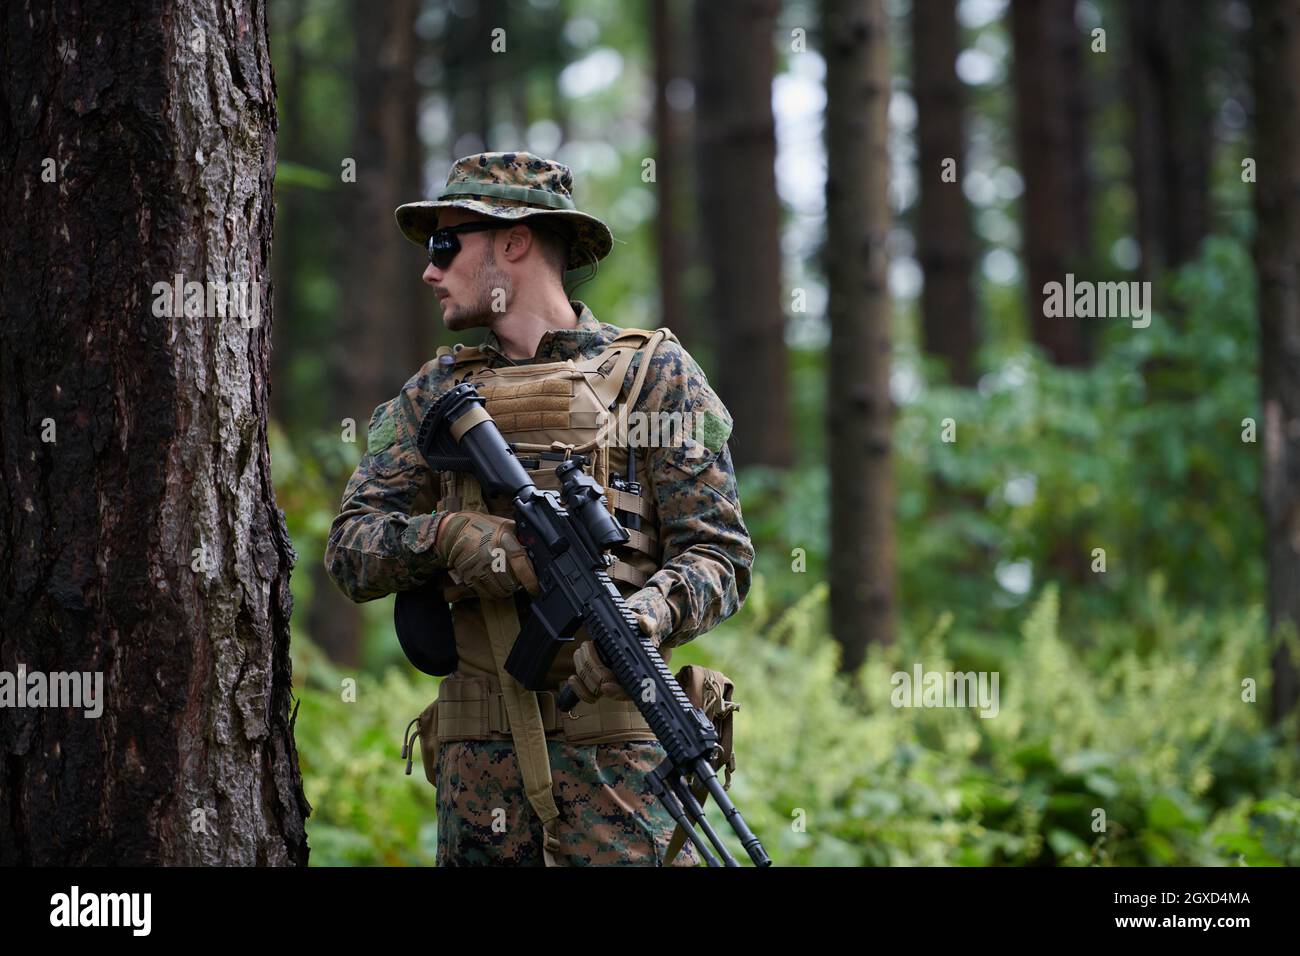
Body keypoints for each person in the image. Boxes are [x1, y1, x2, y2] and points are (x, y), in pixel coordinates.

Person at [324, 150, 753, 866]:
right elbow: (350, 552)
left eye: (445, 244)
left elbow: (723, 556)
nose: (429, 270)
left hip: (620, 781)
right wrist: (448, 536)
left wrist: (649, 613)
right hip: (478, 788)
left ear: (514, 240)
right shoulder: (434, 394)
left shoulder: (655, 375)